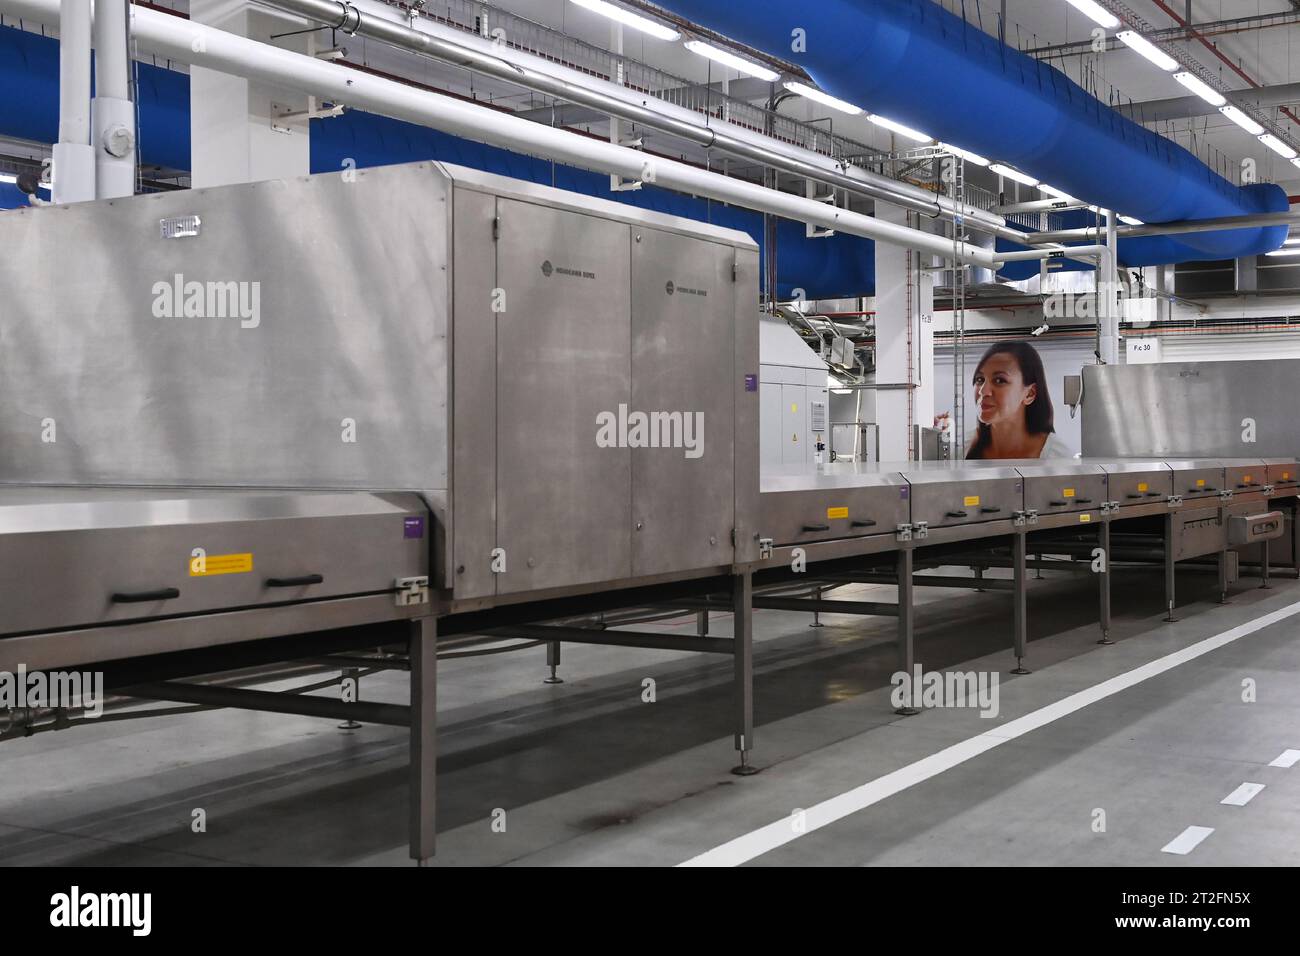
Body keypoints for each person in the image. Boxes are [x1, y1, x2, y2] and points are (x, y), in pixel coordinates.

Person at [965, 341, 1072, 459]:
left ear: (1029, 394)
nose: (983, 391)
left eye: (999, 380)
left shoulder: (1058, 458)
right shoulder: (961, 449)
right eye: (980, 379)